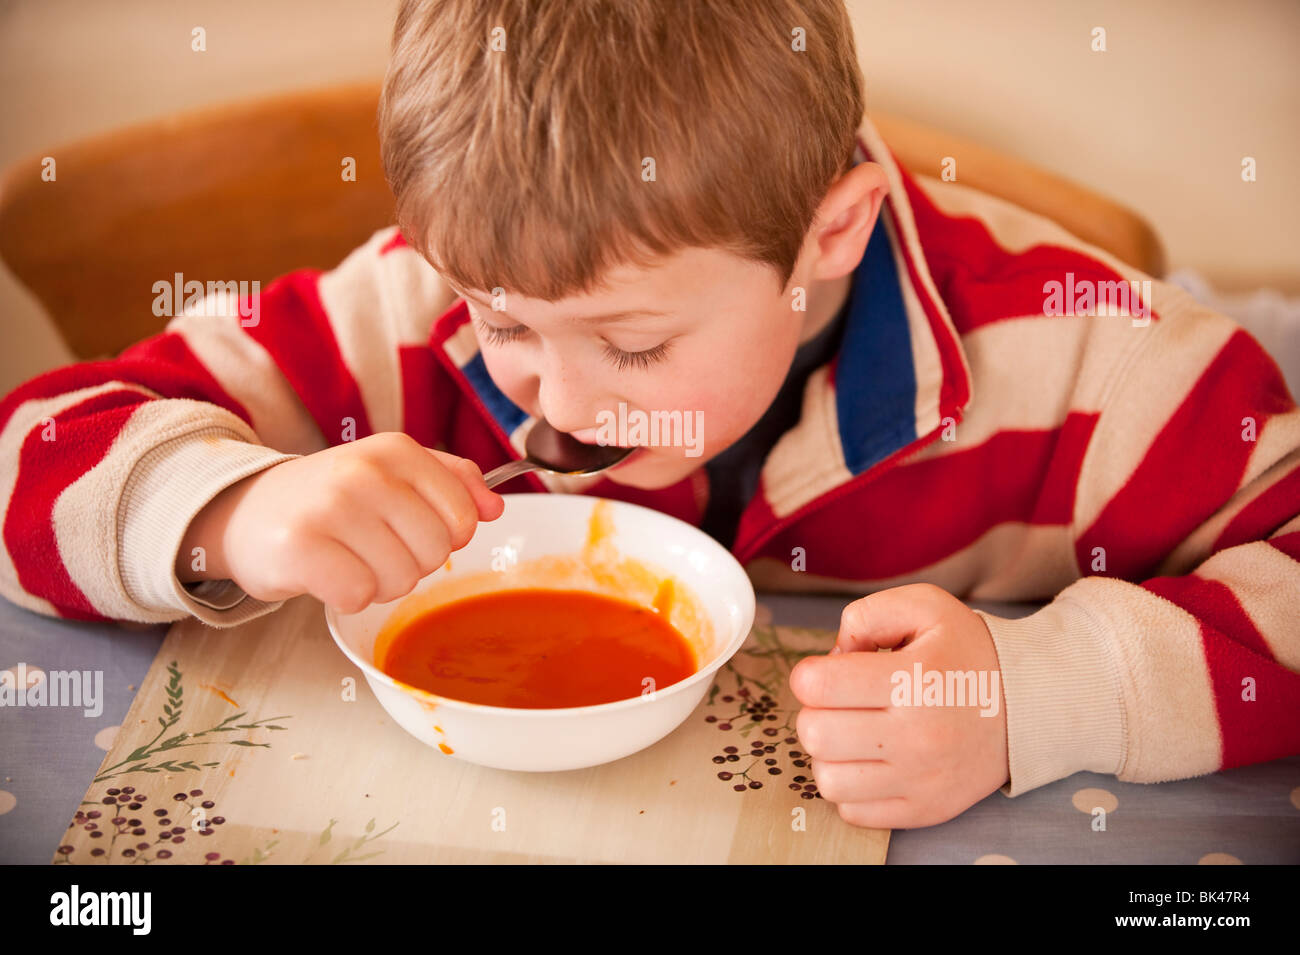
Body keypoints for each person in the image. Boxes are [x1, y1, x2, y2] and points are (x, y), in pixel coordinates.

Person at [2, 0, 1296, 829]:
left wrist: (1041, 693)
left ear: (826, 237)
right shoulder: (409, 309)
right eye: (503, 323)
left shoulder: (1092, 360)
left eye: (633, 342)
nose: (549, 400)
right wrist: (233, 507)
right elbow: (28, 455)